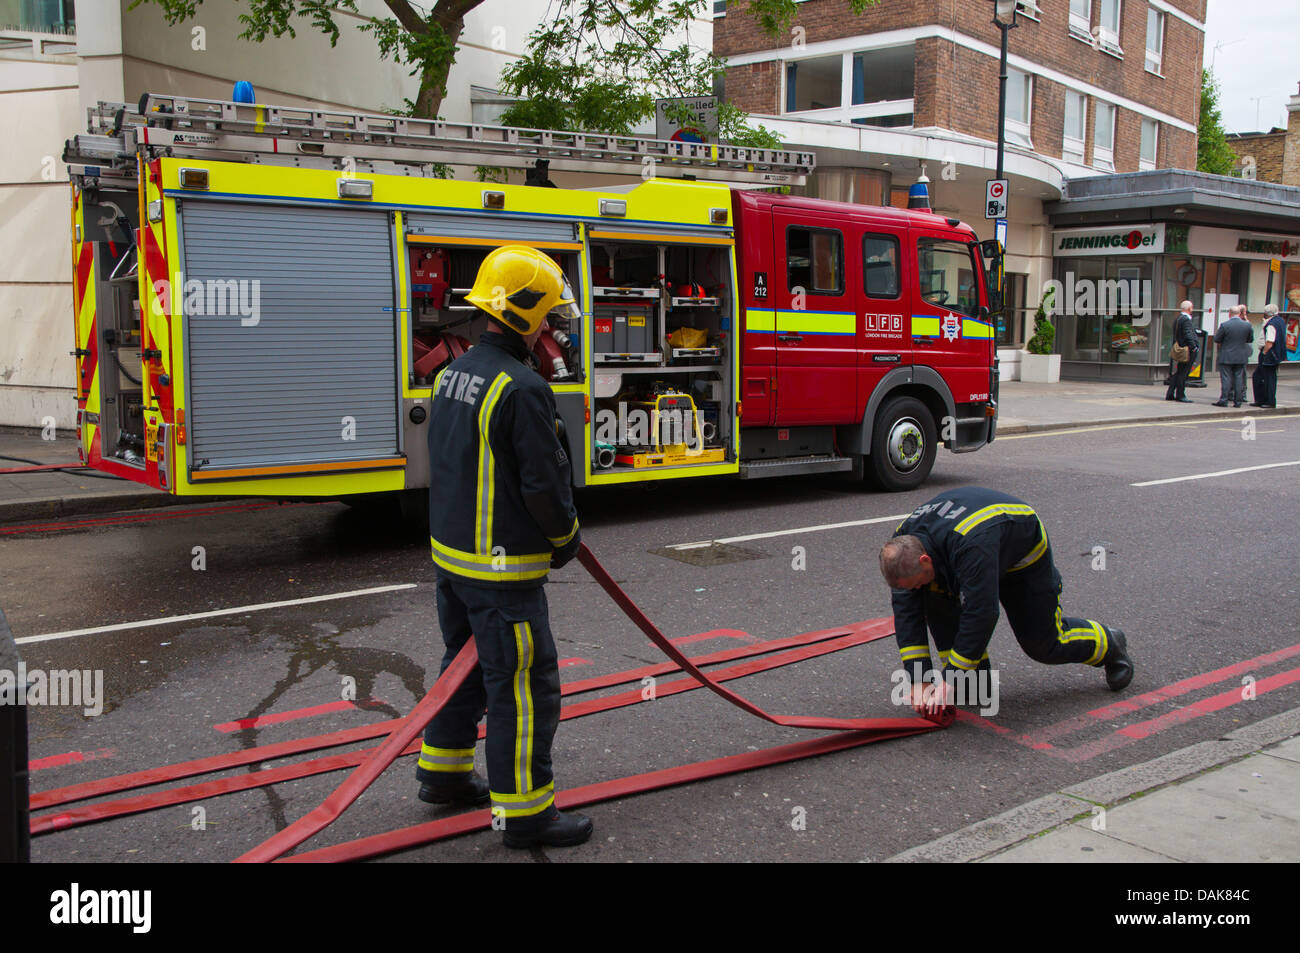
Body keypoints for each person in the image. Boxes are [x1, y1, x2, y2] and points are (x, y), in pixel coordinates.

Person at [416, 244, 592, 849]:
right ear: (525, 315)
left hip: (453, 563)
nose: (551, 329)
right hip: (503, 574)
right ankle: (525, 815)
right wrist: (567, 538)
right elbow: (546, 487)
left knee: (462, 668)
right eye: (548, 316)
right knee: (522, 686)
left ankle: (442, 774)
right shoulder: (523, 391)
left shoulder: (452, 374)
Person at [879, 487, 1134, 716]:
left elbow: (981, 613)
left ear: (924, 560)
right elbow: (907, 615)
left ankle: (1108, 643)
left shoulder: (970, 546)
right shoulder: (903, 545)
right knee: (933, 595)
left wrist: (948, 680)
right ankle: (973, 680)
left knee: (1043, 645)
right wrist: (919, 679)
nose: (915, 589)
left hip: (1019, 556)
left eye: (916, 582)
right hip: (964, 552)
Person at [1212, 304, 1254, 407]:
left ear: (1229, 314)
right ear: (1239, 314)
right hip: (1240, 356)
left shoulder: (1225, 325)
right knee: (1239, 378)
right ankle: (1238, 402)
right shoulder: (1247, 325)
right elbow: (1250, 339)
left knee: (1226, 378)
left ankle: (1224, 400)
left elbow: (1217, 339)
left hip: (1227, 355)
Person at [1251, 303, 1287, 408]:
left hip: (1269, 354)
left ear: (1267, 313)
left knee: (1264, 377)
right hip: (1277, 354)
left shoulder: (1271, 324)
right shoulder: (1280, 321)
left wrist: (1264, 352)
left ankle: (1267, 401)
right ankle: (1263, 400)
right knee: (1266, 377)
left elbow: (1270, 342)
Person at [1165, 300, 1198, 403]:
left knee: (1179, 371)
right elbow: (1188, 334)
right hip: (1186, 350)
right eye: (1192, 307)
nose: (1192, 309)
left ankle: (1170, 393)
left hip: (1180, 348)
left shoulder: (1178, 319)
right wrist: (1193, 347)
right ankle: (1180, 395)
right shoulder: (1186, 320)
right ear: (1189, 308)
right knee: (1183, 373)